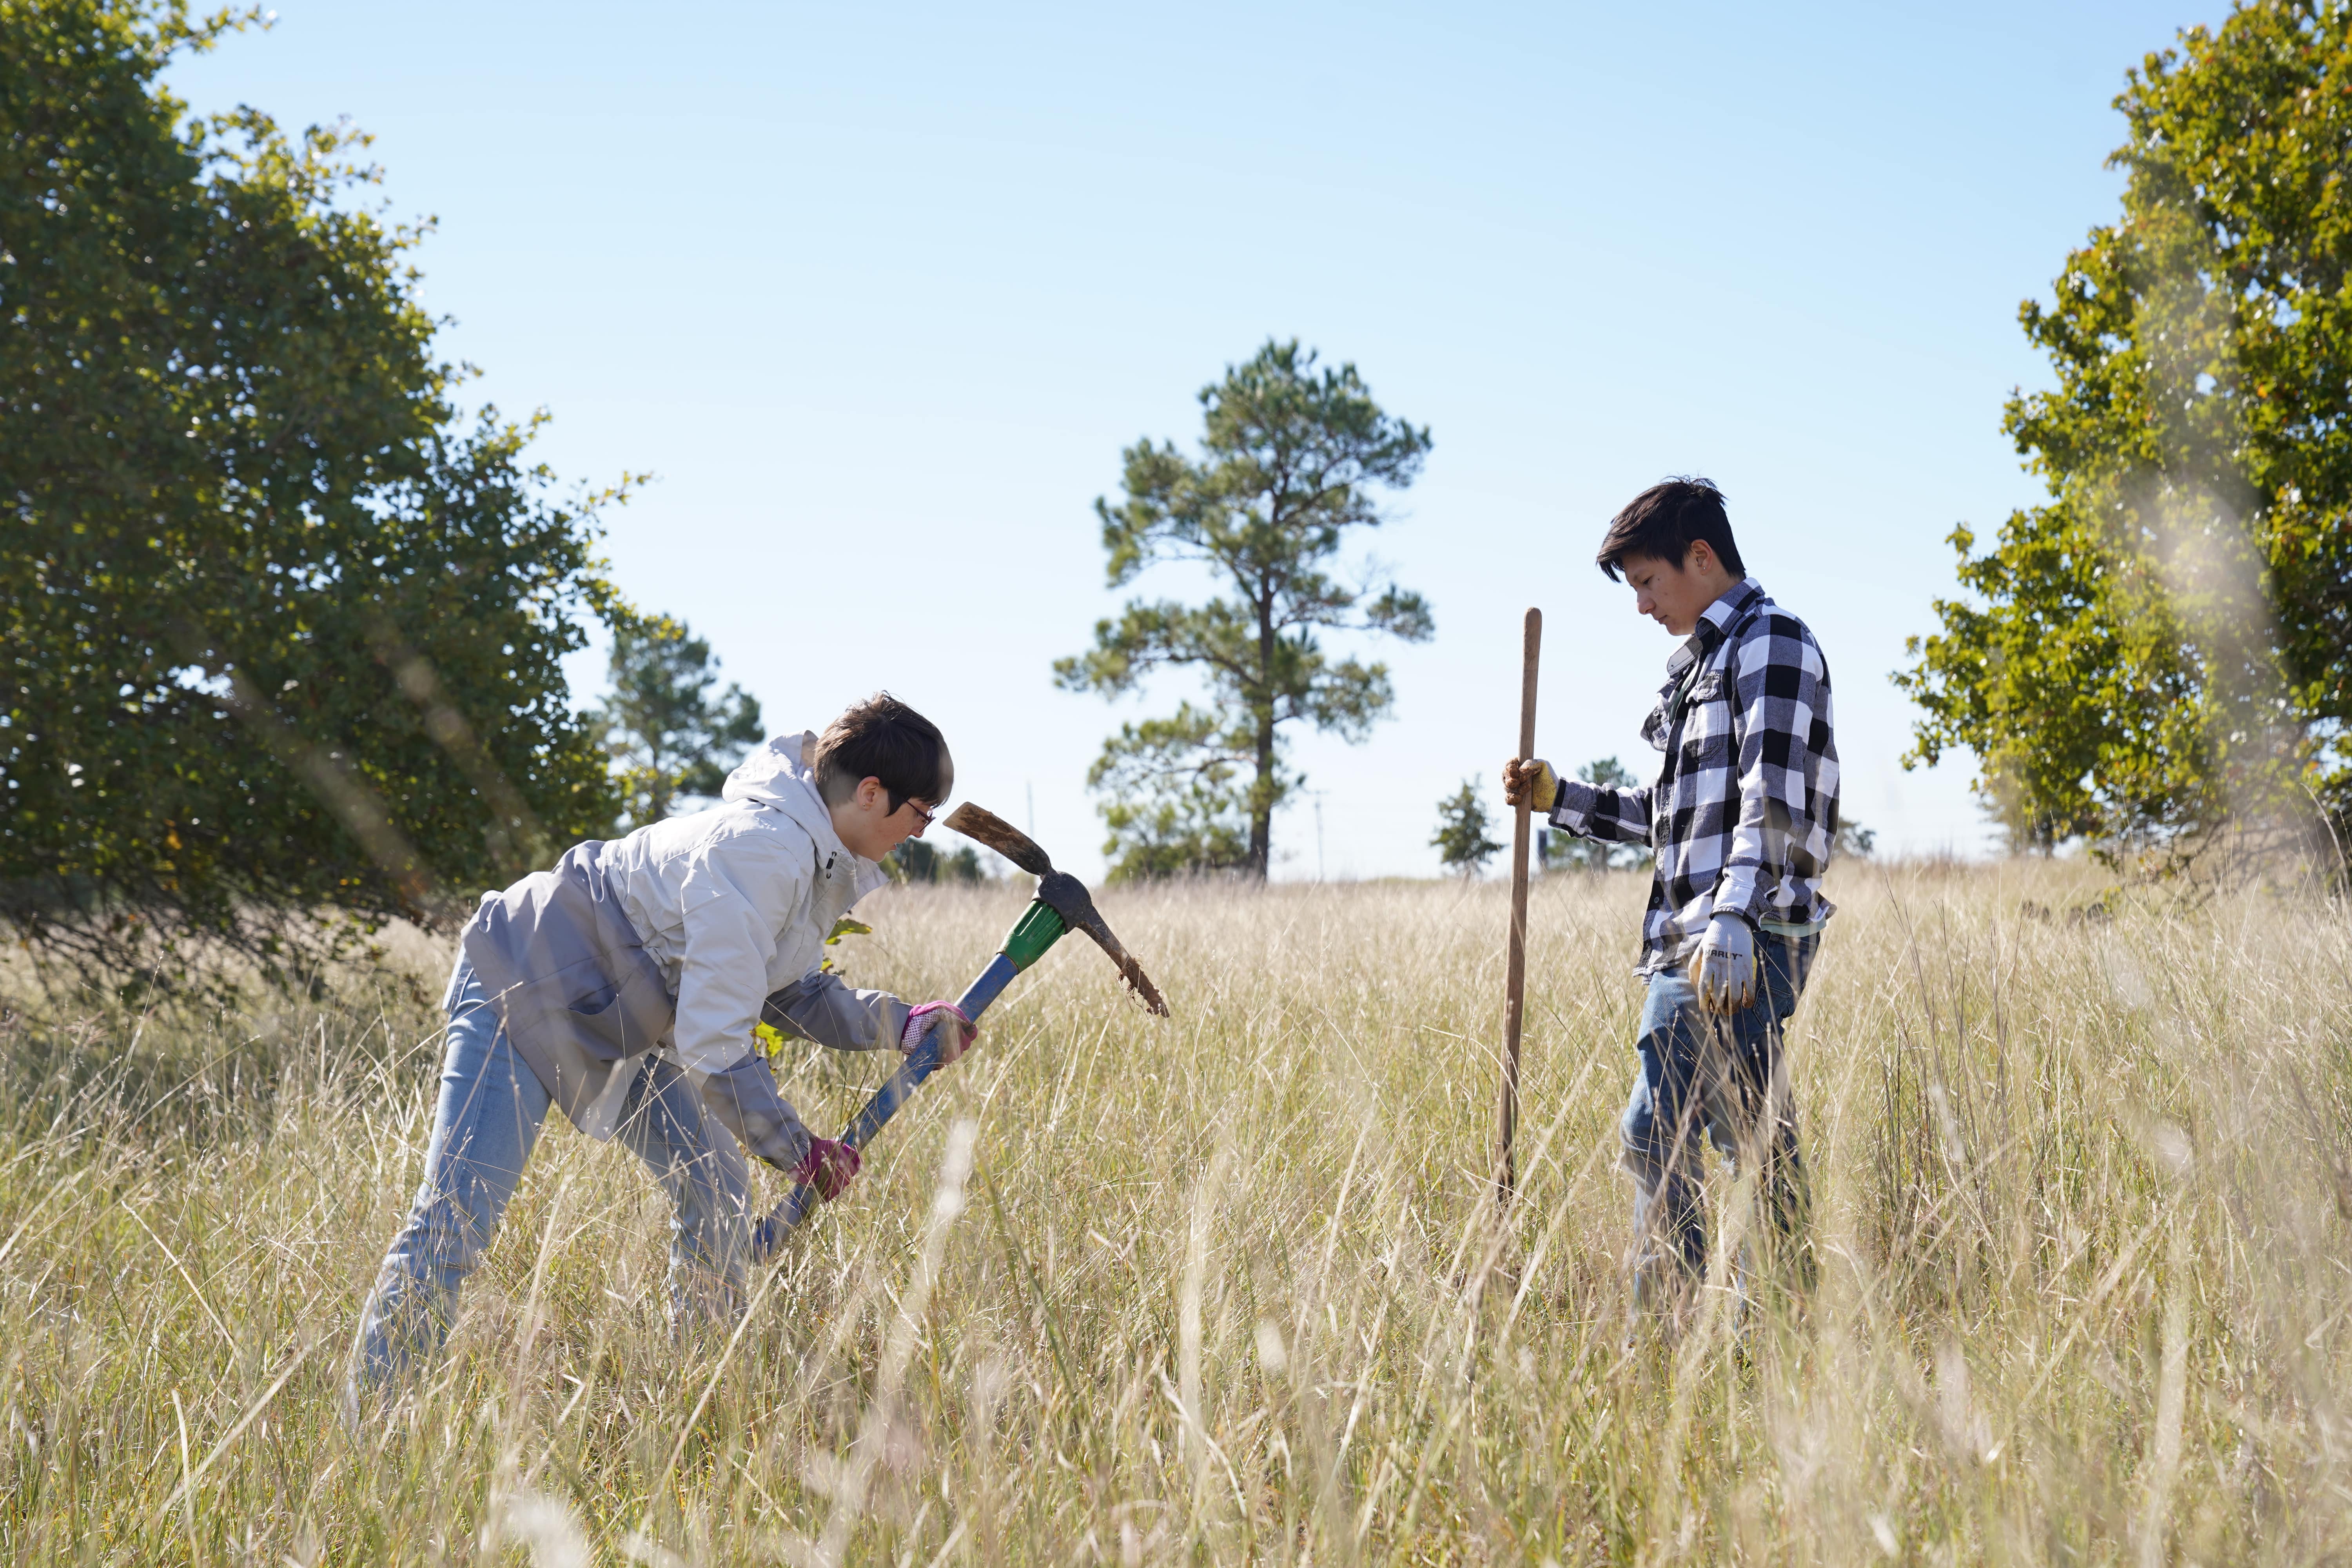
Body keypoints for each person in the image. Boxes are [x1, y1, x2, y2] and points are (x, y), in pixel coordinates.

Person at [352, 692, 979, 1389]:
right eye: (921, 814)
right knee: (455, 1224)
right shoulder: (760, 854)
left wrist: (902, 1025)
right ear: (871, 792)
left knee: (716, 1193)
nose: (921, 833)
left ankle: (700, 1399)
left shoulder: (813, 860)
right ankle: (374, 1430)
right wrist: (799, 1151)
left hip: (625, 1010)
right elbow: (715, 1044)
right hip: (525, 981)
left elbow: (788, 989)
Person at [1504, 478, 1839, 1325]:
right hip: (1699, 931)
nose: (1643, 604)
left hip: (1735, 932)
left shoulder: (1771, 643)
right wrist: (1561, 799)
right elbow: (1671, 821)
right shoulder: (1697, 670)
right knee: (1748, 1135)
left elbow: (1776, 800)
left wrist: (1732, 916)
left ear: (1702, 556)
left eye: (1650, 581)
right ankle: (1770, 1322)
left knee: (1661, 1132)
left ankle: (1684, 1323)